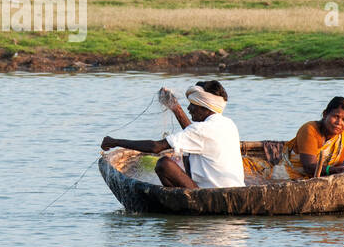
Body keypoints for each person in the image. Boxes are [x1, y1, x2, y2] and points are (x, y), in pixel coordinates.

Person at [101, 81, 245, 190]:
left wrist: (115, 141)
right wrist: (175, 109)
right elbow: (195, 134)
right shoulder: (228, 124)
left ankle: (181, 204)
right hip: (237, 190)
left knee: (164, 164)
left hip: (210, 194)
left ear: (204, 107)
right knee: (184, 157)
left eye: (193, 104)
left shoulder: (202, 130)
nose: (189, 109)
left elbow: (156, 147)